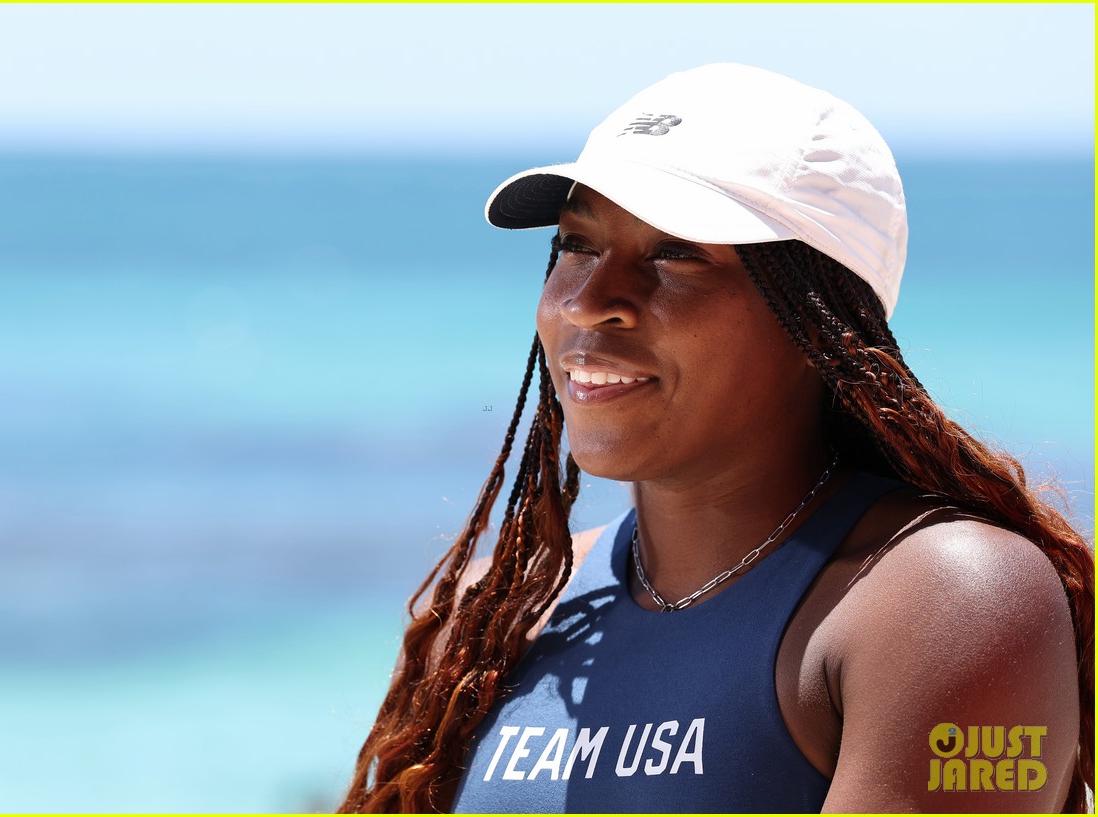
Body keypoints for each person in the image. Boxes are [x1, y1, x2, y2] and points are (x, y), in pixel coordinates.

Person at [338, 64, 1094, 813]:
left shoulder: (943, 602)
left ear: (820, 324)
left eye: (677, 253)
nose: (591, 302)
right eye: (576, 244)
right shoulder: (499, 611)